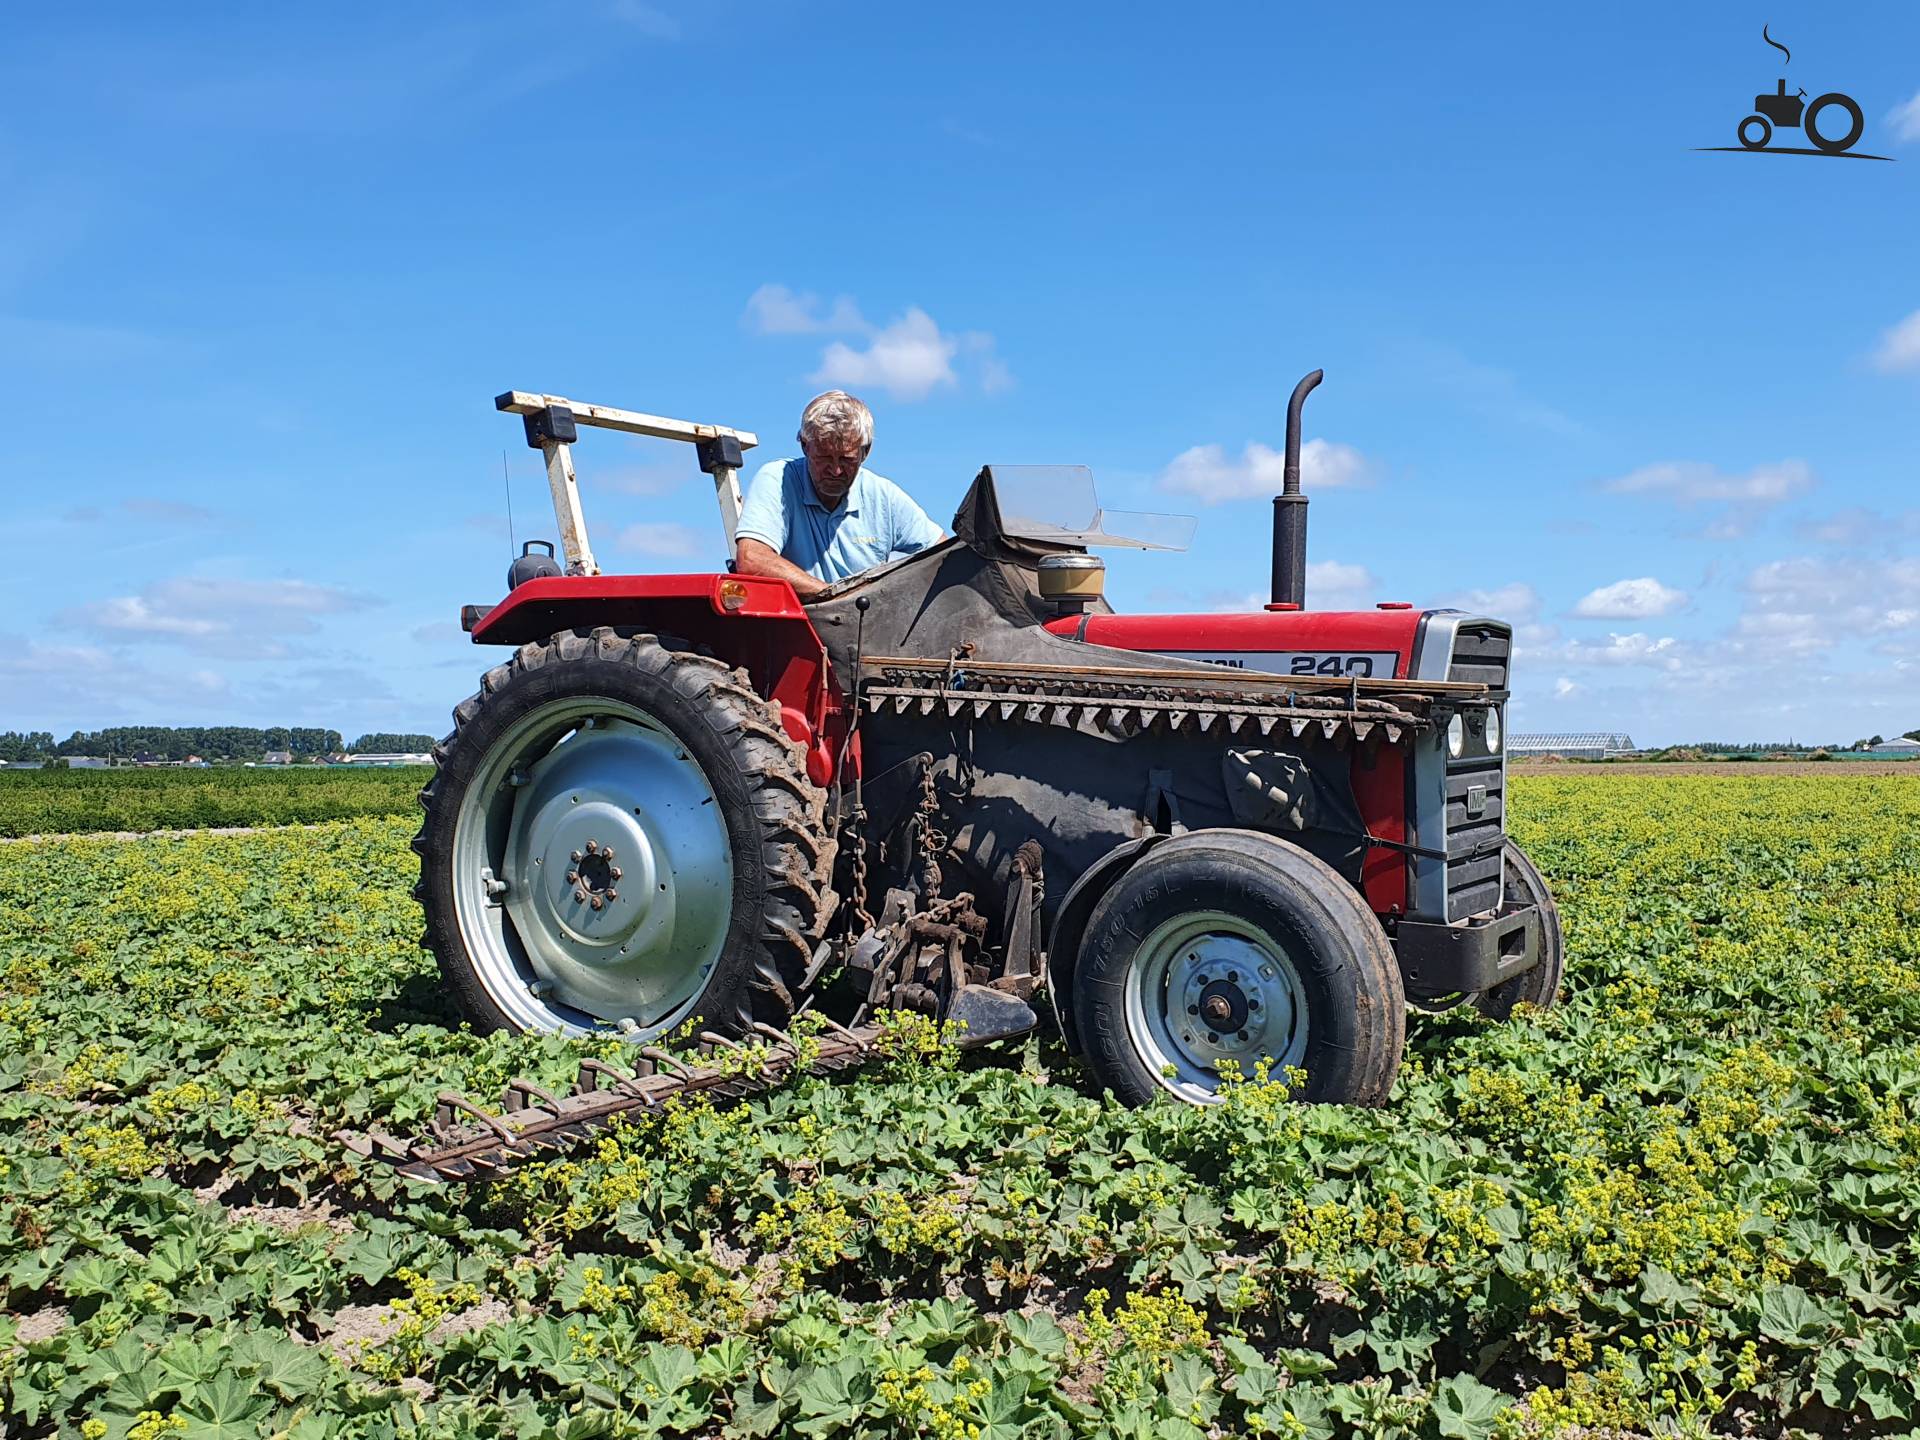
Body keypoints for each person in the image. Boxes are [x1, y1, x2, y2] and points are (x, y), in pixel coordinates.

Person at [733, 390, 944, 599]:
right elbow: (752, 559)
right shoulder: (778, 479)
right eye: (824, 457)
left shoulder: (882, 496)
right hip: (800, 623)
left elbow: (945, 553)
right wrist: (837, 599)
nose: (835, 471)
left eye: (846, 459)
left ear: (865, 452)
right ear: (805, 447)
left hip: (868, 623)